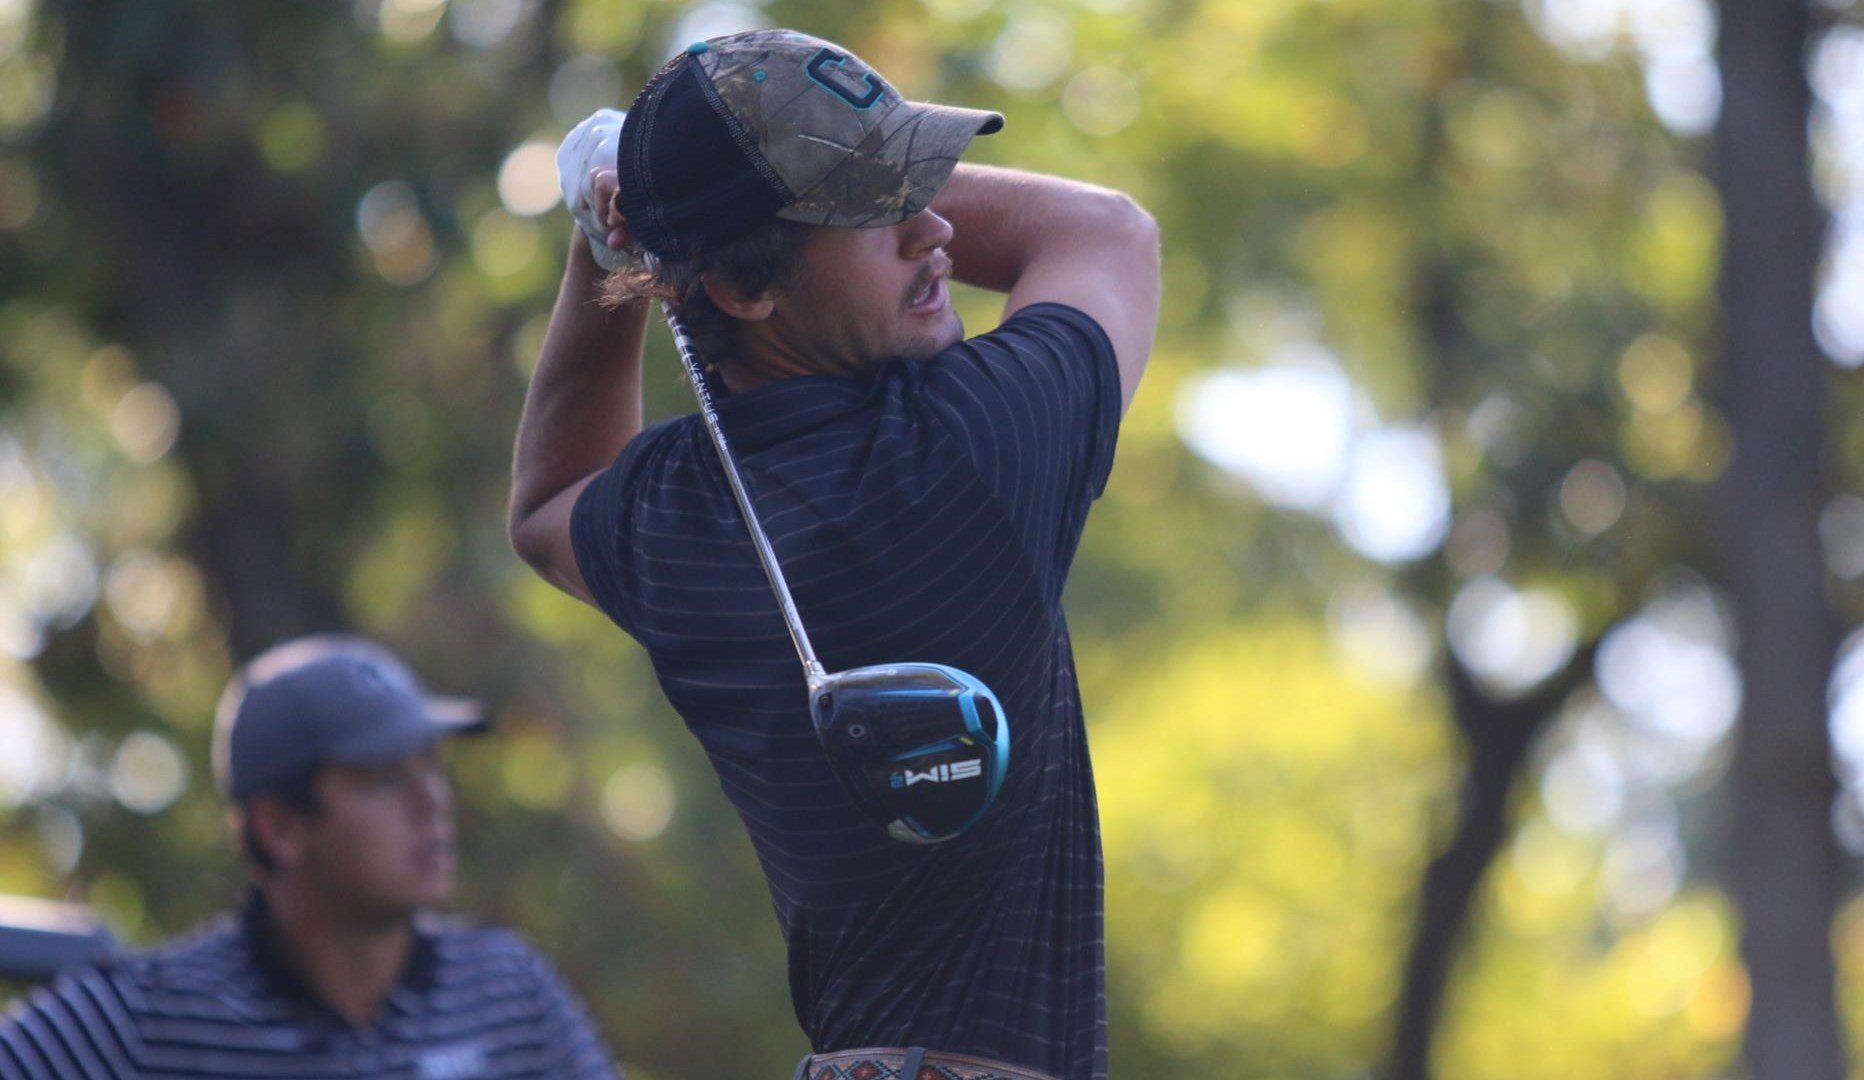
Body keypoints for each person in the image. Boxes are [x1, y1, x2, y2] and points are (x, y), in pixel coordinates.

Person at [510, 28, 1159, 1080]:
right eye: (876, 208)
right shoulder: (972, 447)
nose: (937, 228)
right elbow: (1104, 231)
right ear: (747, 290)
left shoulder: (673, 514)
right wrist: (646, 207)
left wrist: (614, 239)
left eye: (920, 186)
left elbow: (544, 506)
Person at [0, 635, 619, 1080]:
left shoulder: (510, 993)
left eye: (430, 765)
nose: (431, 801)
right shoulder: (136, 1020)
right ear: (279, 827)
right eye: (381, 777)